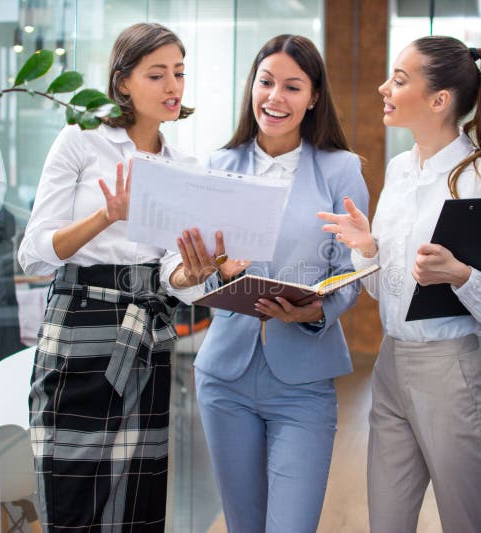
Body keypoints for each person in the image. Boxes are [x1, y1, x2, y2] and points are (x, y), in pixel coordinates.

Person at [318, 36, 481, 532]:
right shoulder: (399, 171)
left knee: (466, 523)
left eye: (399, 79)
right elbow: (386, 291)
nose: (384, 87)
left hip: (451, 374)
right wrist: (369, 250)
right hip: (391, 366)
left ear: (440, 100)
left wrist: (461, 276)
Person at [172, 35, 369, 533]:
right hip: (225, 378)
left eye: (292, 86)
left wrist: (317, 310)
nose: (275, 97)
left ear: (314, 97)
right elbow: (195, 270)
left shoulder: (341, 169)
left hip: (303, 381)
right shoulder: (218, 166)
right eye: (266, 82)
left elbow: (352, 270)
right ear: (251, 87)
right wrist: (221, 271)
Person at [17, 23, 207, 532]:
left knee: (137, 507)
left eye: (180, 74)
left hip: (146, 337)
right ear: (123, 82)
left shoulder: (183, 165)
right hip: (78, 329)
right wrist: (106, 216)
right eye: (157, 74)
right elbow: (33, 254)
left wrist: (197, 268)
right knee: (72, 502)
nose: (173, 87)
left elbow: (174, 276)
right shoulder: (81, 139)